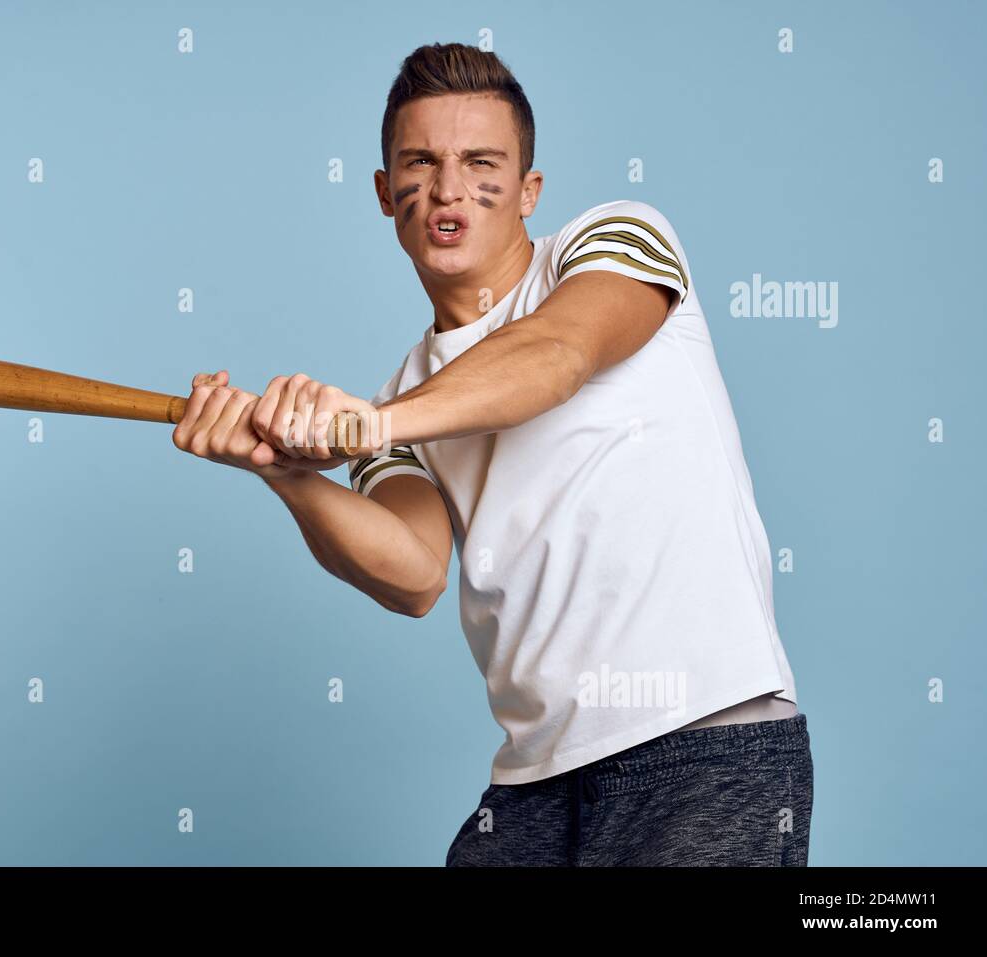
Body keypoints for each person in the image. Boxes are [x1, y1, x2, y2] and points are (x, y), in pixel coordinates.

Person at [171, 42, 813, 866]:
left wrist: (370, 424)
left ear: (528, 190)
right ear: (382, 192)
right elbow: (412, 573)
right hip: (534, 785)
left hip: (705, 745)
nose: (448, 189)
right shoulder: (403, 394)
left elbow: (555, 356)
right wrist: (284, 472)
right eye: (421, 162)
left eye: (481, 163)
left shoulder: (613, 240)